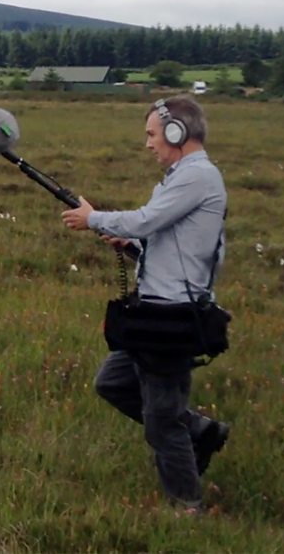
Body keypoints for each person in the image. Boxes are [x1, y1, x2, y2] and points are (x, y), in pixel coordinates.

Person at [60, 95, 230, 514]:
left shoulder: (198, 178)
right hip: (153, 312)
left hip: (172, 318)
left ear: (178, 133)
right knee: (113, 383)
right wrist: (132, 244)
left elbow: (147, 220)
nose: (148, 144)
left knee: (161, 421)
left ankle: (186, 507)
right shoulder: (179, 178)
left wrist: (95, 219)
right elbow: (164, 239)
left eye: (152, 134)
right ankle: (202, 431)